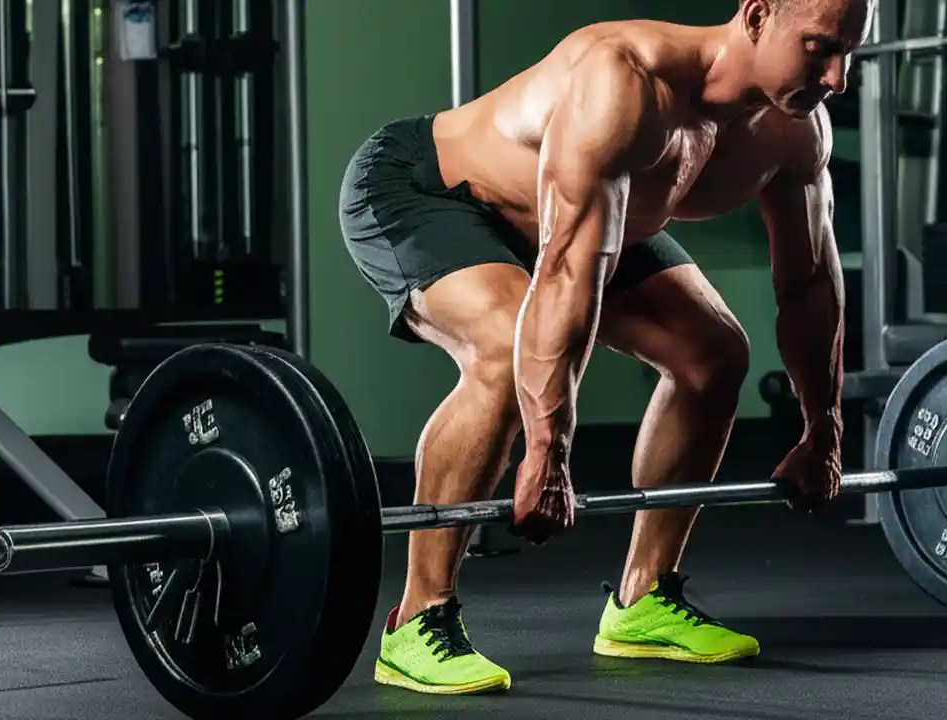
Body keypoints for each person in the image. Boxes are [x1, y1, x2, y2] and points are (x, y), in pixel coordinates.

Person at [339, 0, 873, 696]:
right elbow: (566, 271)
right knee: (505, 353)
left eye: (849, 54)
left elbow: (807, 286)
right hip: (433, 191)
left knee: (714, 357)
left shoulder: (795, 132)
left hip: (583, 216)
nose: (836, 76)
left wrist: (822, 428)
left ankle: (641, 602)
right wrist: (549, 452)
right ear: (756, 15)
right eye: (819, 47)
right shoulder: (624, 81)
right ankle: (418, 617)